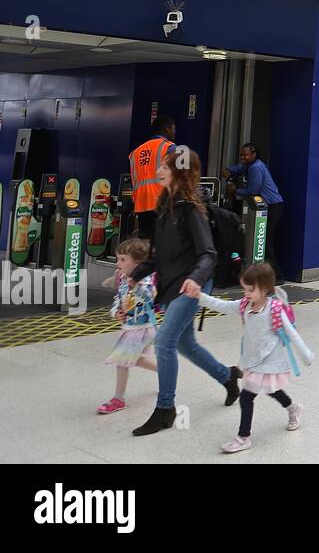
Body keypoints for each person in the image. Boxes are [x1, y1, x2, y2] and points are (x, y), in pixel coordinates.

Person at [128, 146, 243, 436]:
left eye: (165, 167)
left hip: (190, 285)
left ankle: (166, 408)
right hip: (173, 284)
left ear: (180, 172)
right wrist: (134, 274)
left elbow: (208, 254)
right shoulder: (165, 208)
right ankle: (228, 377)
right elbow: (158, 255)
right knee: (184, 344)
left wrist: (194, 280)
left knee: (165, 342)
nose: (158, 171)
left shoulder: (191, 210)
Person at [188, 263, 313, 453]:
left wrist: (306, 354)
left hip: (270, 360)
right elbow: (221, 305)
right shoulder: (244, 305)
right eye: (244, 288)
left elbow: (291, 333)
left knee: (246, 397)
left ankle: (243, 437)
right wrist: (200, 296)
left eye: (250, 289)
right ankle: (293, 407)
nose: (245, 293)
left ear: (264, 289)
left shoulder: (275, 309)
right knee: (271, 390)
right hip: (254, 360)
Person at [98, 238, 157, 415]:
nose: (118, 263)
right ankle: (165, 372)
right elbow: (119, 298)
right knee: (129, 360)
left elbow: (150, 297)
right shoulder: (123, 278)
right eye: (118, 259)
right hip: (131, 328)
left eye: (123, 259)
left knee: (123, 361)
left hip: (142, 328)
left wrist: (136, 286)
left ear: (138, 263)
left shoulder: (146, 279)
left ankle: (118, 399)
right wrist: (116, 312)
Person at [224, 143, 286, 281]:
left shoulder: (256, 168)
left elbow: (253, 190)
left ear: (254, 155)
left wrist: (235, 191)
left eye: (245, 155)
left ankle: (277, 275)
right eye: (241, 154)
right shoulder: (249, 165)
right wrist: (229, 170)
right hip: (265, 207)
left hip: (272, 207)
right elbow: (239, 168)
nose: (242, 157)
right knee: (263, 242)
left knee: (266, 242)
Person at [128, 116, 176, 243]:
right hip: (162, 203)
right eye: (173, 129)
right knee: (164, 245)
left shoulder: (135, 153)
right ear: (167, 129)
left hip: (141, 205)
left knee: (146, 245)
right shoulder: (169, 148)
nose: (174, 133)